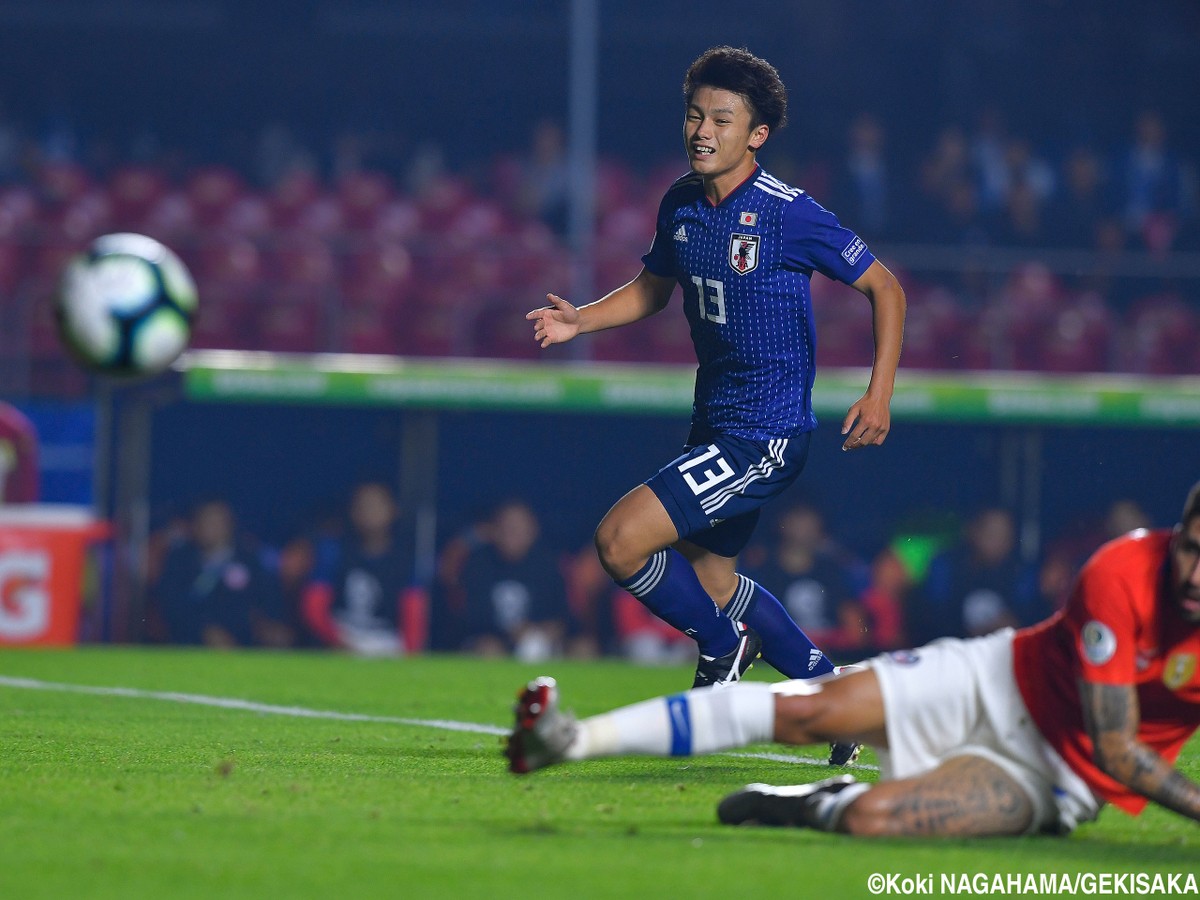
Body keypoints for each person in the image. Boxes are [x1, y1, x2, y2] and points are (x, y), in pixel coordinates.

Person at [525, 45, 906, 743]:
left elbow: (886, 286)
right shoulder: (680, 203)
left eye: (722, 119)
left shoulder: (789, 215)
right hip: (715, 426)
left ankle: (722, 647)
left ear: (756, 135)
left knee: (619, 541)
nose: (702, 130)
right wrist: (582, 318)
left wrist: (878, 394)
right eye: (695, 115)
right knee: (714, 581)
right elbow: (652, 289)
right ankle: (836, 702)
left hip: (764, 434)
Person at [505, 481, 1200, 837]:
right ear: (1177, 536)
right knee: (813, 711)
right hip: (996, 680)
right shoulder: (1124, 568)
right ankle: (570, 740)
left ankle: (814, 804)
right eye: (1192, 549)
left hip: (1060, 778)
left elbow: (1100, 757)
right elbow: (1117, 743)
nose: (1195, 574)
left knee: (874, 821)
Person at [303, 481, 424, 656]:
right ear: (353, 512)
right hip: (340, 640)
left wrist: (408, 653)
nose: (370, 512)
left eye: (377, 505)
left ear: (393, 510)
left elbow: (413, 613)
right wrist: (339, 640)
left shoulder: (405, 560)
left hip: (385, 643)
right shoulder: (334, 551)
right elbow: (314, 608)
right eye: (364, 506)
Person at [153, 498, 289, 648]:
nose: (213, 527)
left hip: (243, 647)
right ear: (195, 525)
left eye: (218, 521)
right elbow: (171, 604)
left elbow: (269, 600)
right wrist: (203, 631)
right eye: (207, 520)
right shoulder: (179, 560)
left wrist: (270, 626)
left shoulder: (250, 560)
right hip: (191, 646)